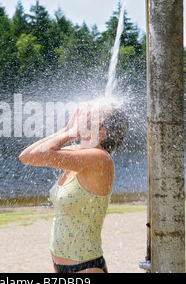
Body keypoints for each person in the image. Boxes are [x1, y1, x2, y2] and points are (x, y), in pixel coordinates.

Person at [19, 100, 129, 273]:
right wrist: (65, 131)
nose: (84, 117)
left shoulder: (99, 159)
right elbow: (27, 157)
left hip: (85, 267)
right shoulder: (78, 152)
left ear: (103, 132)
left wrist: (70, 133)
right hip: (57, 266)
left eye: (91, 116)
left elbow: (39, 155)